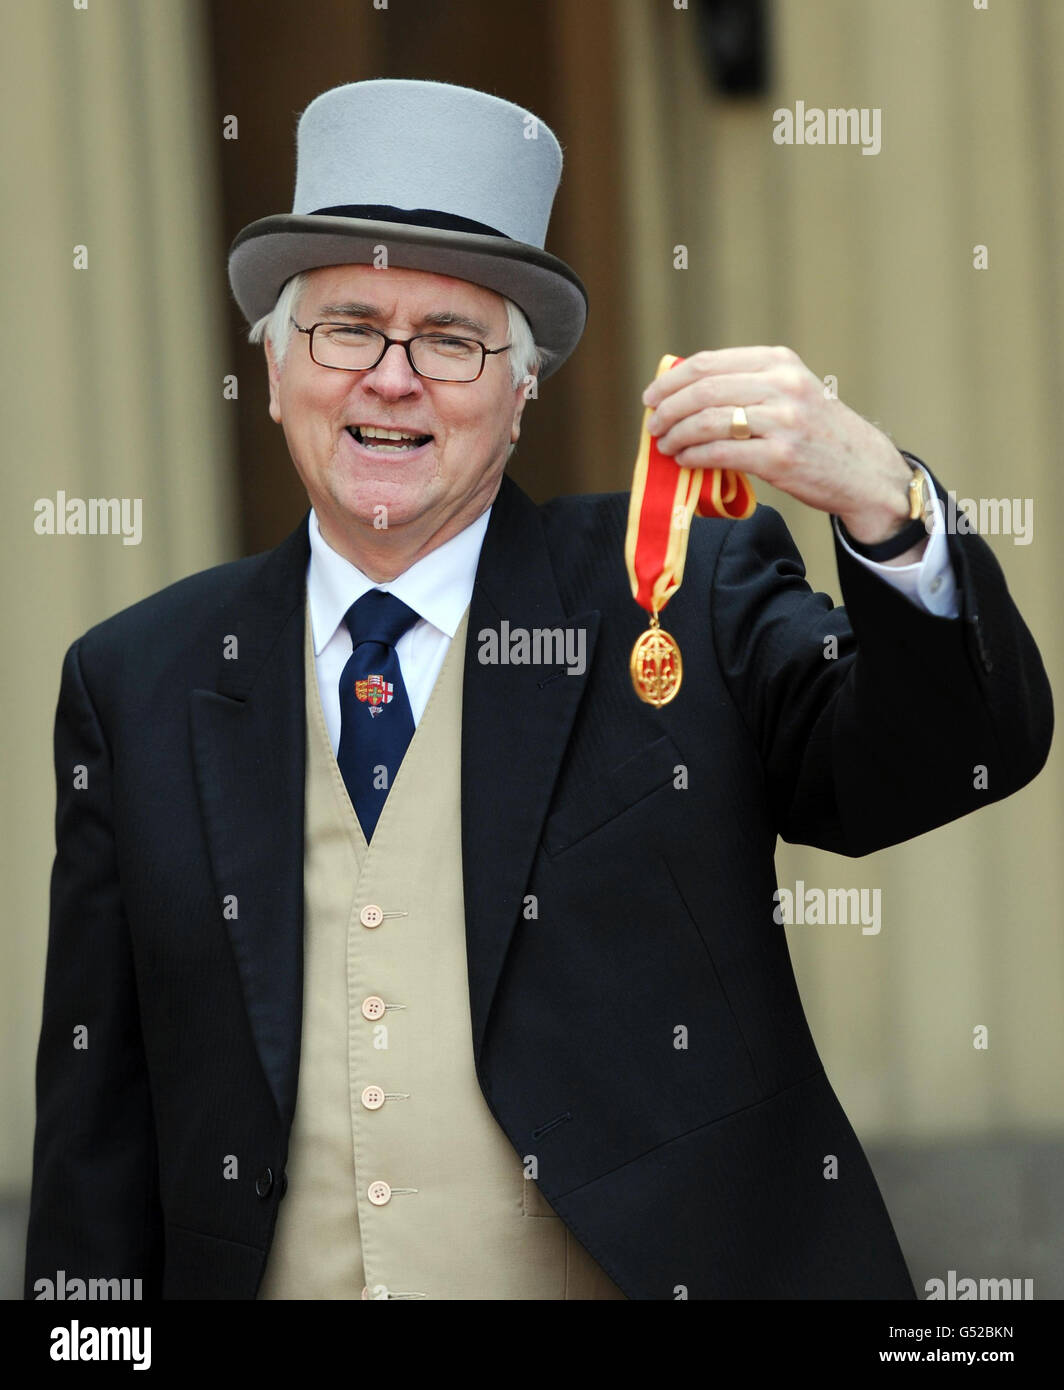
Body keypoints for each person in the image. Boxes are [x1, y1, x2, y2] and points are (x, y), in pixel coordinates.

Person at [24, 78, 1052, 1301]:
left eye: (451, 340)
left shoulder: (678, 592)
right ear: (275, 361)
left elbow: (954, 751)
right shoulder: (134, 679)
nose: (390, 378)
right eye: (346, 327)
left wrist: (882, 502)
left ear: (521, 392)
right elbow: (98, 1134)